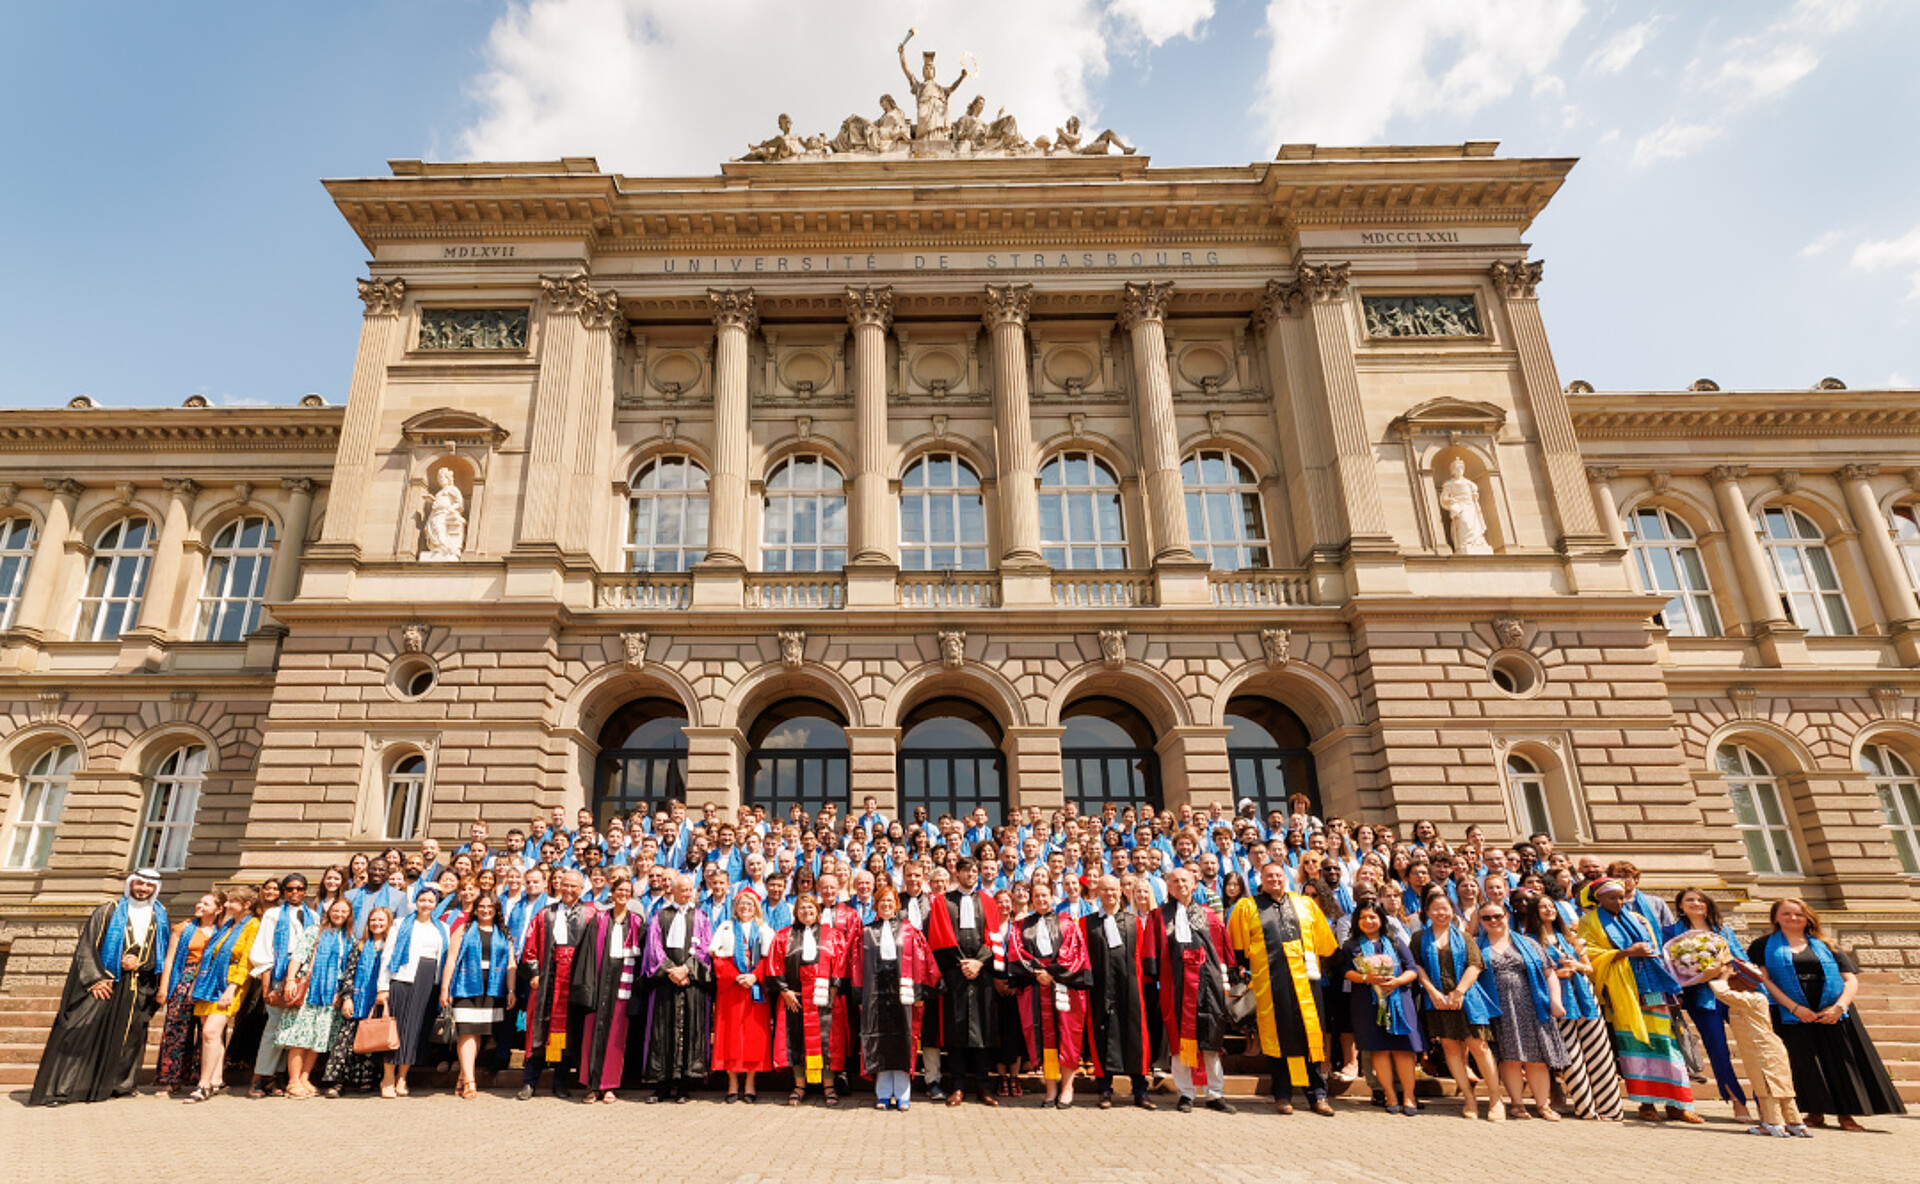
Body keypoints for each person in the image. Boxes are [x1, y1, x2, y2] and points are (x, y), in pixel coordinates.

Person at [1750, 896, 1906, 1130]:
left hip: (1833, 1012)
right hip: (1790, 1013)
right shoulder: (1762, 946)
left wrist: (1839, 1007)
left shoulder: (1827, 944)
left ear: (1808, 918)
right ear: (1775, 918)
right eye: (1786, 913)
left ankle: (1846, 1115)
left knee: (1841, 1063)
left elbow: (1850, 979)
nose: (1793, 918)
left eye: (1799, 914)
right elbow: (1765, 981)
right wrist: (1794, 1008)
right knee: (1804, 1063)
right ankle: (1814, 1113)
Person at [1665, 887, 1800, 1135]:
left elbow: (1741, 958)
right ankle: (1737, 1100)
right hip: (1701, 998)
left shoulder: (1723, 931)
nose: (1696, 903)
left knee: (1756, 1048)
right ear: (1680, 906)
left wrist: (1728, 971)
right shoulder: (1671, 933)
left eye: (1700, 900)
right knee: (1718, 1050)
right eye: (1689, 900)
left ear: (1707, 904)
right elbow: (1670, 966)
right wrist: (1695, 975)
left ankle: (1765, 1104)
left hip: (1734, 994)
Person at [30, 870, 171, 1107]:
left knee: (130, 1036)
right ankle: (61, 1090)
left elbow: (162, 952)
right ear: (131, 884)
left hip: (138, 986)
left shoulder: (160, 916)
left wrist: (141, 963)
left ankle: (120, 1086)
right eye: (140, 883)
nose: (144, 889)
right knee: (80, 1032)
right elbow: (86, 947)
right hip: (105, 983)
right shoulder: (108, 910)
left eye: (149, 885)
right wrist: (95, 979)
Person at [1579, 877, 1701, 1123]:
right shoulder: (1589, 922)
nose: (1618, 902)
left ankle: (1678, 1105)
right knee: (1636, 1048)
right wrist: (1625, 953)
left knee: (1667, 1045)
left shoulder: (1639, 919)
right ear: (1598, 898)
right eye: (1612, 898)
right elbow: (1588, 954)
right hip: (1623, 991)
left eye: (1621, 897)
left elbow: (1656, 951)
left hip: (1654, 989)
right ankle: (1647, 1104)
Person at [1227, 860, 1338, 1116]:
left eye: (1278, 875)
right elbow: (1238, 948)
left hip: (1307, 984)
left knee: (1311, 1036)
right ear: (1261, 880)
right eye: (1269, 876)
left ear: (1285, 877)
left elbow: (1326, 946)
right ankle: (1282, 1095)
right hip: (1270, 984)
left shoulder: (1306, 905)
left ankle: (1318, 1095)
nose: (1274, 879)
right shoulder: (1247, 907)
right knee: (1276, 1038)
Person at [1519, 890, 1622, 1121]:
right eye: (1543, 907)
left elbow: (1589, 968)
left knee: (1599, 1051)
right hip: (1559, 1001)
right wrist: (1556, 974)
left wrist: (1576, 965)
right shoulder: (1529, 941)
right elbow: (1530, 975)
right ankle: (1586, 1109)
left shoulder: (1570, 937)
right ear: (1534, 912)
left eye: (1551, 906)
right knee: (1572, 1056)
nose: (1549, 910)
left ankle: (1610, 1108)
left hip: (1584, 996)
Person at [1145, 867, 1233, 1113]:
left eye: (1185, 880)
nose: (1180, 884)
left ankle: (1215, 1093)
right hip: (1175, 984)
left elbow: (1222, 949)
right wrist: (1153, 975)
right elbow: (1151, 951)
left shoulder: (1209, 914)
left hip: (1209, 983)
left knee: (1211, 1038)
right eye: (1174, 881)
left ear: (1195, 884)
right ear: (1168, 886)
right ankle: (1186, 1093)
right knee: (1179, 1039)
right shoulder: (1158, 916)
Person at [1411, 891, 1504, 1121]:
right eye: (1435, 909)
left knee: (1479, 1046)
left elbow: (1475, 965)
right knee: (1450, 1048)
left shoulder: (1464, 937)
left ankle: (1495, 1098)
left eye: (1445, 908)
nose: (1441, 913)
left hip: (1467, 998)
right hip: (1438, 1001)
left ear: (1452, 911)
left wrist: (1459, 991)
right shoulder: (1419, 938)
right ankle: (1469, 1098)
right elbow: (1417, 966)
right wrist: (1432, 992)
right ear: (1427, 912)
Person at [922, 854, 1002, 1106]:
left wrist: (979, 962)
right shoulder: (942, 902)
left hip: (982, 973)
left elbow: (993, 935)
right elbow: (940, 936)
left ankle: (983, 1085)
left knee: (983, 1031)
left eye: (974, 872)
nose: (971, 875)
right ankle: (957, 1086)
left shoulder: (988, 901)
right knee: (955, 1030)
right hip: (954, 973)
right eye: (966, 871)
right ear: (956, 874)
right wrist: (962, 963)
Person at [1476, 902, 1567, 1120]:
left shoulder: (1528, 943)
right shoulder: (1477, 946)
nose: (1493, 921)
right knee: (1510, 1058)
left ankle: (1543, 1105)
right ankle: (1516, 1104)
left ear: (1507, 916)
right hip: (1499, 1010)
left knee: (1537, 1058)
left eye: (1497, 916)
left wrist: (1555, 1001)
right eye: (1487, 918)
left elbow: (1549, 973)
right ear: (1480, 921)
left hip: (1533, 1006)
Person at [1007, 878, 1091, 1108]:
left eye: (1045, 895)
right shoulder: (1021, 926)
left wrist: (1052, 973)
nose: (1041, 899)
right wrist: (1038, 972)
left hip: (1064, 985)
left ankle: (1067, 1087)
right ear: (1031, 899)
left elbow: (1074, 952)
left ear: (1052, 897)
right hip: (1035, 986)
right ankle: (1050, 1088)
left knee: (1067, 1036)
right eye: (1037, 896)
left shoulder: (1066, 922)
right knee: (1045, 1039)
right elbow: (1017, 952)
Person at [853, 882, 937, 1111]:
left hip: (903, 993)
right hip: (875, 994)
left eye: (890, 901)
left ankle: (902, 1094)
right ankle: (882, 1093)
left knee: (903, 1040)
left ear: (897, 904)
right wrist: (859, 996)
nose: (886, 905)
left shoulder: (910, 931)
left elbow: (921, 961)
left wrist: (919, 992)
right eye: (882, 901)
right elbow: (857, 965)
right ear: (876, 905)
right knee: (880, 1041)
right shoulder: (866, 932)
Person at [518, 868, 598, 1099]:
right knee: (539, 1030)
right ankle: (529, 1081)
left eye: (574, 886)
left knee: (565, 1032)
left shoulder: (591, 914)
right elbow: (530, 946)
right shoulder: (546, 914)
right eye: (565, 885)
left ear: (581, 889)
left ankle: (560, 1082)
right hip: (547, 979)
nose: (569, 890)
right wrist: (534, 973)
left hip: (574, 979)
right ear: (558, 886)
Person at [1339, 901, 1424, 1115]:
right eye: (1363, 917)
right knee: (1379, 1048)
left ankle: (1409, 1095)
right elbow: (1345, 971)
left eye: (1373, 917)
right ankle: (1390, 1095)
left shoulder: (1395, 942)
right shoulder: (1351, 946)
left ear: (1381, 919)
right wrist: (1366, 978)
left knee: (1403, 1049)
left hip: (1399, 999)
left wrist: (1397, 981)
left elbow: (1412, 969)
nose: (1368, 921)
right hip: (1367, 1003)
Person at [1082, 873, 1156, 1109]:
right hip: (1099, 989)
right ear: (1097, 892)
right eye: (1104, 889)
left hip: (1131, 989)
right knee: (1102, 1036)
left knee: (1135, 1037)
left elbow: (1142, 956)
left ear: (1121, 891)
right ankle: (1104, 1090)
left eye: (1113, 889)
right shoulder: (1086, 923)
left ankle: (1140, 1091)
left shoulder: (1134, 922)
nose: (1109, 893)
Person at [641, 872, 715, 1103]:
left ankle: (684, 1086)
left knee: (690, 1031)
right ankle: (661, 1086)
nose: (687, 893)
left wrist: (687, 970)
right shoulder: (660, 916)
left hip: (691, 984)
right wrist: (671, 971)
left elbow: (705, 948)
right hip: (666, 983)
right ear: (672, 890)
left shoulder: (701, 917)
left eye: (690, 890)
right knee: (662, 1032)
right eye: (683, 890)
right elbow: (654, 948)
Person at [770, 892, 848, 1106]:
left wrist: (834, 990)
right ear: (796, 912)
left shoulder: (832, 935)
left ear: (817, 911)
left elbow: (840, 963)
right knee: (796, 1040)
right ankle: (799, 1086)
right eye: (802, 908)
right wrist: (785, 991)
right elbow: (775, 964)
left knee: (826, 1043)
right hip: (795, 998)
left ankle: (828, 1086)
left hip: (824, 998)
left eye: (810, 908)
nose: (807, 912)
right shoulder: (783, 936)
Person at [275, 896, 356, 1098]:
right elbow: (298, 956)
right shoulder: (315, 931)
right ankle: (293, 1080)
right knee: (300, 1037)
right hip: (310, 990)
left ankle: (305, 1077)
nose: (339, 914)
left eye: (343, 911)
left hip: (331, 994)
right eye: (336, 910)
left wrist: (341, 993)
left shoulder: (349, 937)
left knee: (319, 1038)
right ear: (329, 912)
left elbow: (347, 968)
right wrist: (290, 980)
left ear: (349, 915)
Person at [376, 884, 450, 1097]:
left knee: (415, 1031)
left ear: (436, 904)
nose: (426, 904)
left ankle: (402, 1077)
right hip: (403, 979)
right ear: (416, 902)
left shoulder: (442, 928)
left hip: (428, 982)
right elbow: (387, 956)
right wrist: (383, 987)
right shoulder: (401, 924)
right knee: (396, 1029)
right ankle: (387, 1077)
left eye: (430, 901)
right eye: (422, 900)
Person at [245, 872, 314, 1097]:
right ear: (284, 892)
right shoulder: (273, 914)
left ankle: (277, 1076)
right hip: (279, 973)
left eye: (299, 889)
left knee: (292, 1030)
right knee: (273, 1028)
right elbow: (264, 950)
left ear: (305, 891)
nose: (295, 893)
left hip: (304, 977)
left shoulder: (313, 915)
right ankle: (260, 1076)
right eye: (290, 889)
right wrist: (267, 987)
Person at [442, 891, 515, 1100]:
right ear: (475, 909)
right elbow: (451, 959)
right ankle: (470, 1081)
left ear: (496, 910)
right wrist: (445, 988)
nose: (485, 910)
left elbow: (511, 963)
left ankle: (463, 1076)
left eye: (490, 907)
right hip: (465, 985)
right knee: (467, 1032)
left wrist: (511, 990)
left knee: (480, 1032)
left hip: (493, 986)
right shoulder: (463, 929)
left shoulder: (504, 933)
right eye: (481, 906)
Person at [188, 885, 258, 1101]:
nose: (226, 904)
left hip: (231, 983)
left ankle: (203, 1084)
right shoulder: (227, 925)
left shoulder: (252, 925)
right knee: (211, 1034)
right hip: (209, 981)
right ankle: (216, 1079)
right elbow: (210, 955)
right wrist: (196, 982)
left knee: (210, 1032)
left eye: (232, 901)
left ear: (246, 905)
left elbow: (246, 960)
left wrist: (232, 988)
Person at [709, 886, 777, 1102]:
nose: (745, 907)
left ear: (756, 907)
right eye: (741, 903)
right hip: (732, 989)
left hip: (755, 990)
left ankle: (749, 1083)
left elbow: (770, 959)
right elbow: (718, 958)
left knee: (753, 1037)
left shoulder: (764, 929)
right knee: (730, 1036)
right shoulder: (725, 927)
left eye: (749, 904)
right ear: (735, 907)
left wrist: (755, 976)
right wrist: (736, 976)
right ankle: (732, 1083)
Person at [155, 891, 222, 1096]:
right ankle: (171, 1079)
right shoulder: (182, 929)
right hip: (184, 978)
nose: (199, 905)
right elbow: (169, 960)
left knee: (207, 1031)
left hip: (209, 981)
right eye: (200, 902)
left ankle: (203, 1079)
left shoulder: (224, 931)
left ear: (218, 909)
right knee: (176, 1030)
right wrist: (164, 988)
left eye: (206, 903)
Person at [322, 904, 391, 1096]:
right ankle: (337, 1082)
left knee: (371, 1042)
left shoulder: (390, 946)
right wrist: (347, 998)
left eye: (381, 920)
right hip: (357, 1000)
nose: (377, 923)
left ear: (388, 923)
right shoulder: (359, 945)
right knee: (345, 1041)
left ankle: (366, 1080)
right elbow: (349, 974)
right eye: (373, 920)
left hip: (378, 1001)